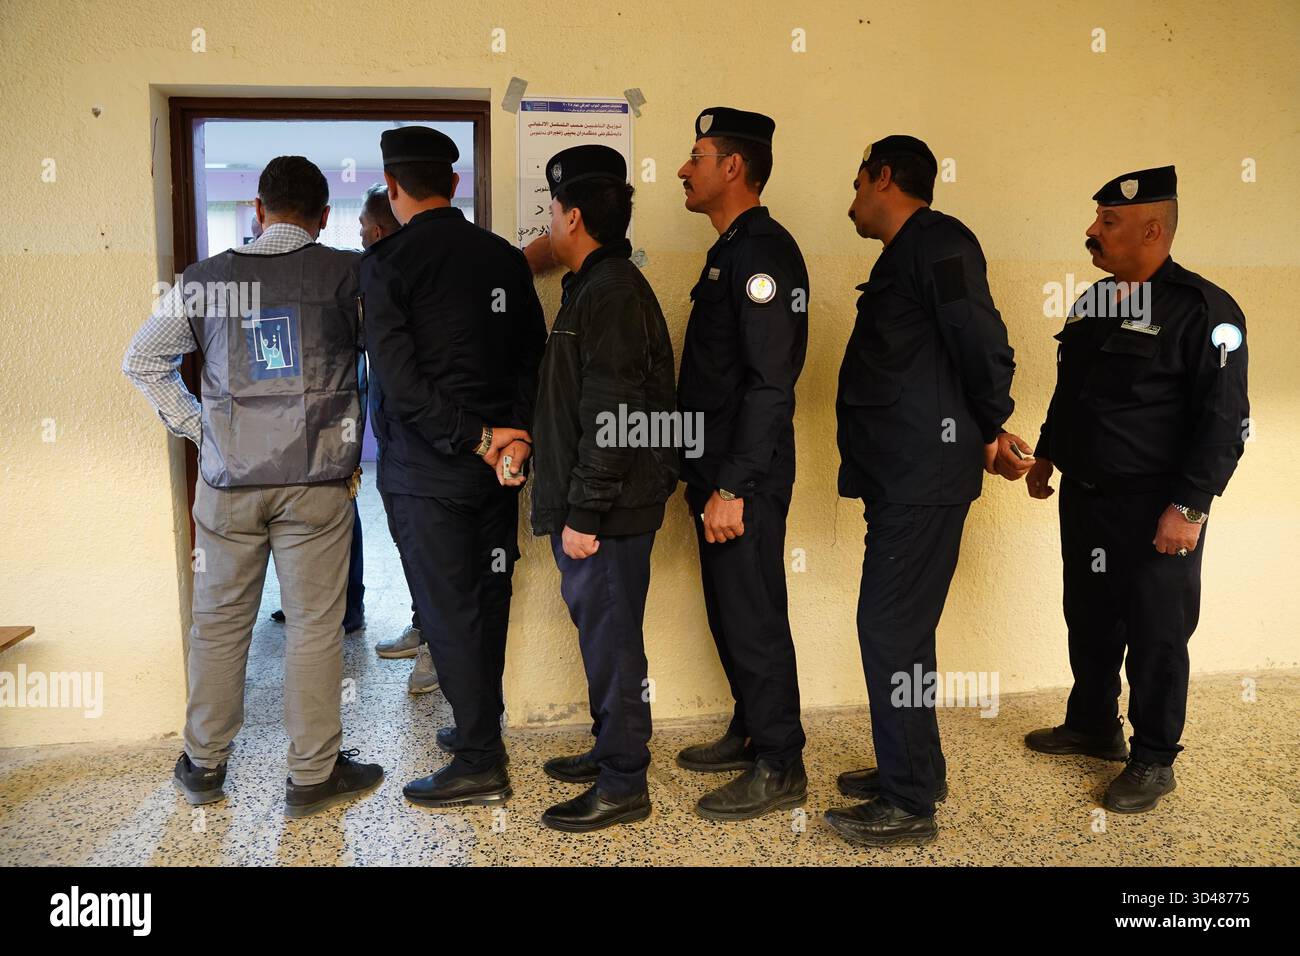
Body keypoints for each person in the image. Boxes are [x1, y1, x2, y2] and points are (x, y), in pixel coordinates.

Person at [123, 155, 383, 818]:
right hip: (317, 484)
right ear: (325, 217)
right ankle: (311, 776)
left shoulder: (204, 280)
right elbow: (392, 359)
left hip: (227, 485)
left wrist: (200, 430)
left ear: (259, 211)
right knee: (315, 627)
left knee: (218, 623)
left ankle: (204, 766)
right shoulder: (349, 275)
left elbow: (141, 360)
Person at [825, 135, 1031, 847]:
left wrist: (994, 421)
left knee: (888, 627)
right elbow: (939, 360)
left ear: (885, 177)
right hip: (904, 475)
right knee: (902, 629)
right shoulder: (908, 252)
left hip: (920, 480)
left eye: (857, 183)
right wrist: (984, 431)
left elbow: (979, 336)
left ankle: (909, 804)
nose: (851, 200)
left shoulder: (940, 242)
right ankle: (916, 770)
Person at [1024, 165, 1250, 813]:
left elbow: (1226, 419)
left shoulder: (1206, 311)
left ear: (1153, 228)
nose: (1092, 231)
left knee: (1156, 631)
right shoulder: (1093, 301)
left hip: (1157, 507)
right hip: (1088, 497)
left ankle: (1154, 757)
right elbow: (1074, 391)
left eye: (1109, 221)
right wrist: (1047, 454)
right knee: (1089, 615)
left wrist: (1190, 506)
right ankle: (1094, 723)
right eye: (1096, 218)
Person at [361, 126, 546, 808]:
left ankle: (479, 763)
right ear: (455, 184)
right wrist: (514, 437)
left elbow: (402, 386)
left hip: (429, 472)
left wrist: (473, 438)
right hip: (499, 470)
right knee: (487, 599)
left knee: (447, 612)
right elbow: (534, 352)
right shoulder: (502, 257)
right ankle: (479, 730)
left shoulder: (386, 263)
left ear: (393, 187)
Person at [524, 144, 679, 832]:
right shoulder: (592, 284)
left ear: (575, 216)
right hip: (598, 506)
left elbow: (615, 417)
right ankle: (610, 750)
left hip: (607, 512)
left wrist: (583, 511)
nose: (546, 227)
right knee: (603, 639)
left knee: (615, 645)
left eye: (550, 213)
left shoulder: (611, 291)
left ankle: (623, 783)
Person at [674, 107, 810, 821]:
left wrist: (731, 485)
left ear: (733, 167)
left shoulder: (763, 255)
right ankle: (753, 727)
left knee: (753, 615)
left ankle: (781, 763)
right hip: (716, 474)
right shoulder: (731, 249)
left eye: (697, 156)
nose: (681, 170)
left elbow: (769, 382)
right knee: (731, 613)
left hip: (742, 480)